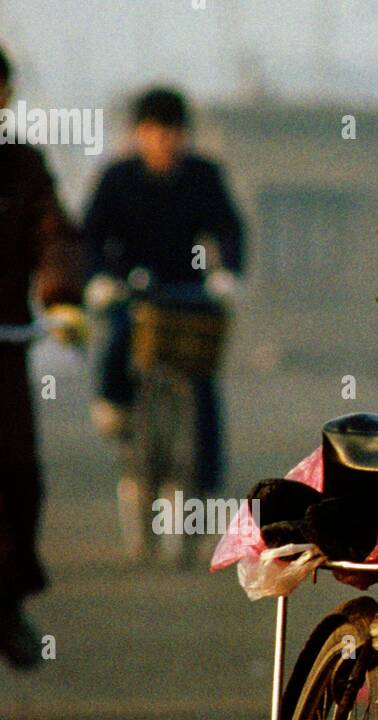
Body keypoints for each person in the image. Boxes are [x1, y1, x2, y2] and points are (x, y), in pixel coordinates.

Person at [82, 87, 245, 552]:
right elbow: (91, 237)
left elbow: (229, 228)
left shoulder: (203, 177)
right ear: (138, 134)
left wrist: (228, 274)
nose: (165, 141)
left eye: (173, 131)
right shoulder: (116, 179)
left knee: (204, 381)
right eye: (155, 131)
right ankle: (112, 401)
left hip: (189, 293)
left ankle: (205, 479)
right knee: (118, 338)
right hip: (131, 291)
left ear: (184, 135)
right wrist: (98, 279)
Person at [0, 44, 84, 669]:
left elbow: (54, 234)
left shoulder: (23, 167)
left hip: (5, 347)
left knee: (18, 474)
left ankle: (6, 604)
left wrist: (60, 299)